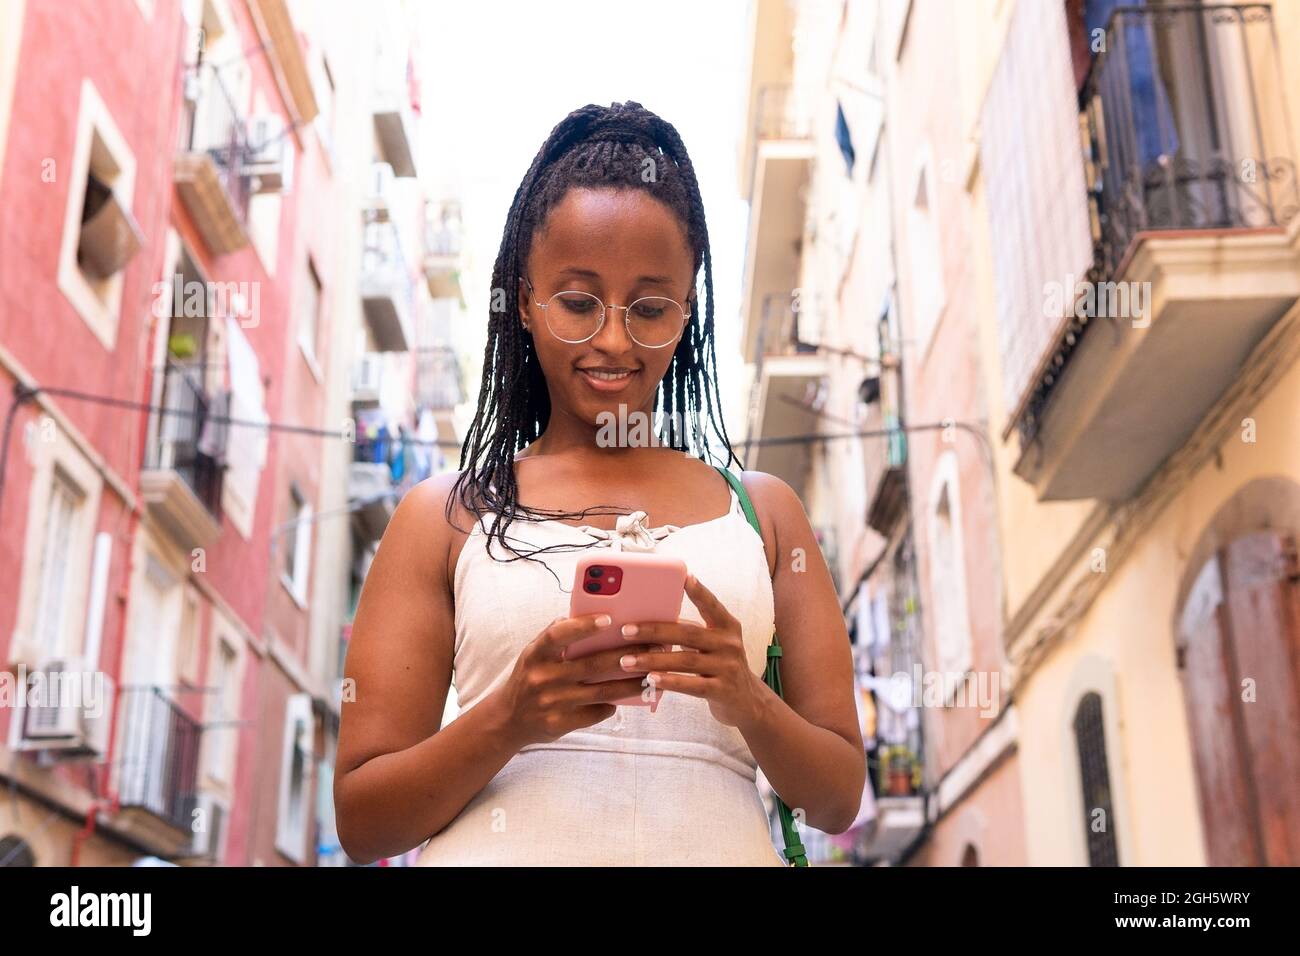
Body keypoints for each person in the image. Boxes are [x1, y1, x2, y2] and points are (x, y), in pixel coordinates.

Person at [334, 101, 864, 866]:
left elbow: (837, 797)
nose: (613, 340)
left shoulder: (765, 515)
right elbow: (363, 820)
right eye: (579, 302)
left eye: (650, 307)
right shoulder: (445, 518)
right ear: (524, 299)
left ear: (686, 313)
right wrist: (511, 718)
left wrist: (746, 700)